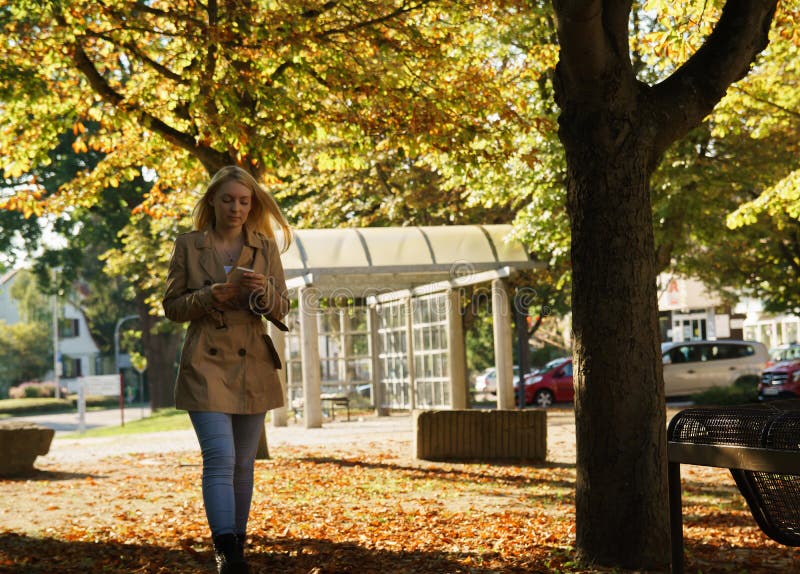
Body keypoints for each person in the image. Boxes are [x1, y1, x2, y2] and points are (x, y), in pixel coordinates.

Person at [163, 165, 291, 574]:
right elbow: (172, 307)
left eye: (244, 201)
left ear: (251, 205)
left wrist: (263, 291)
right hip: (205, 359)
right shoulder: (188, 245)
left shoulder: (264, 246)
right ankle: (226, 551)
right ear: (212, 202)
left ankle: (237, 544)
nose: (236, 208)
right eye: (228, 200)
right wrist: (208, 296)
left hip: (253, 360)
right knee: (220, 456)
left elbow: (282, 308)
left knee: (243, 463)